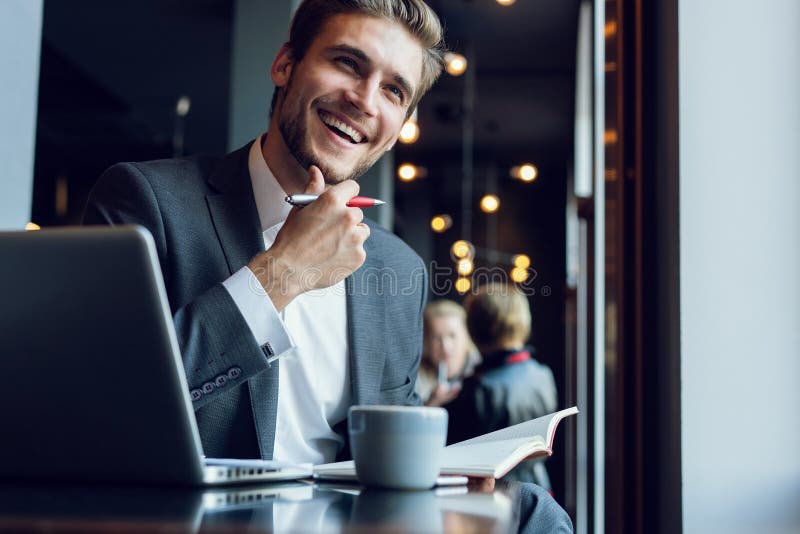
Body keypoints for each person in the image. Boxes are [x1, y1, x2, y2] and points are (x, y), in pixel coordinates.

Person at [83, 0, 445, 465]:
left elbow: (394, 447)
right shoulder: (146, 199)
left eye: (394, 91)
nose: (365, 100)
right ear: (285, 65)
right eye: (347, 63)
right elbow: (106, 407)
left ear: (397, 132)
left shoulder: (399, 267)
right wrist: (282, 274)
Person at [446, 282, 558, 488]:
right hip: (539, 490)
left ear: (475, 328)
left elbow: (453, 458)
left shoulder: (480, 388)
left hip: (493, 496)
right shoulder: (543, 375)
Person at [416, 299, 481, 406]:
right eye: (436, 338)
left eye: (452, 336)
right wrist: (429, 405)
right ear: (425, 342)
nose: (445, 347)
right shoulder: (415, 379)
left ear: (467, 337)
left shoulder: (482, 373)